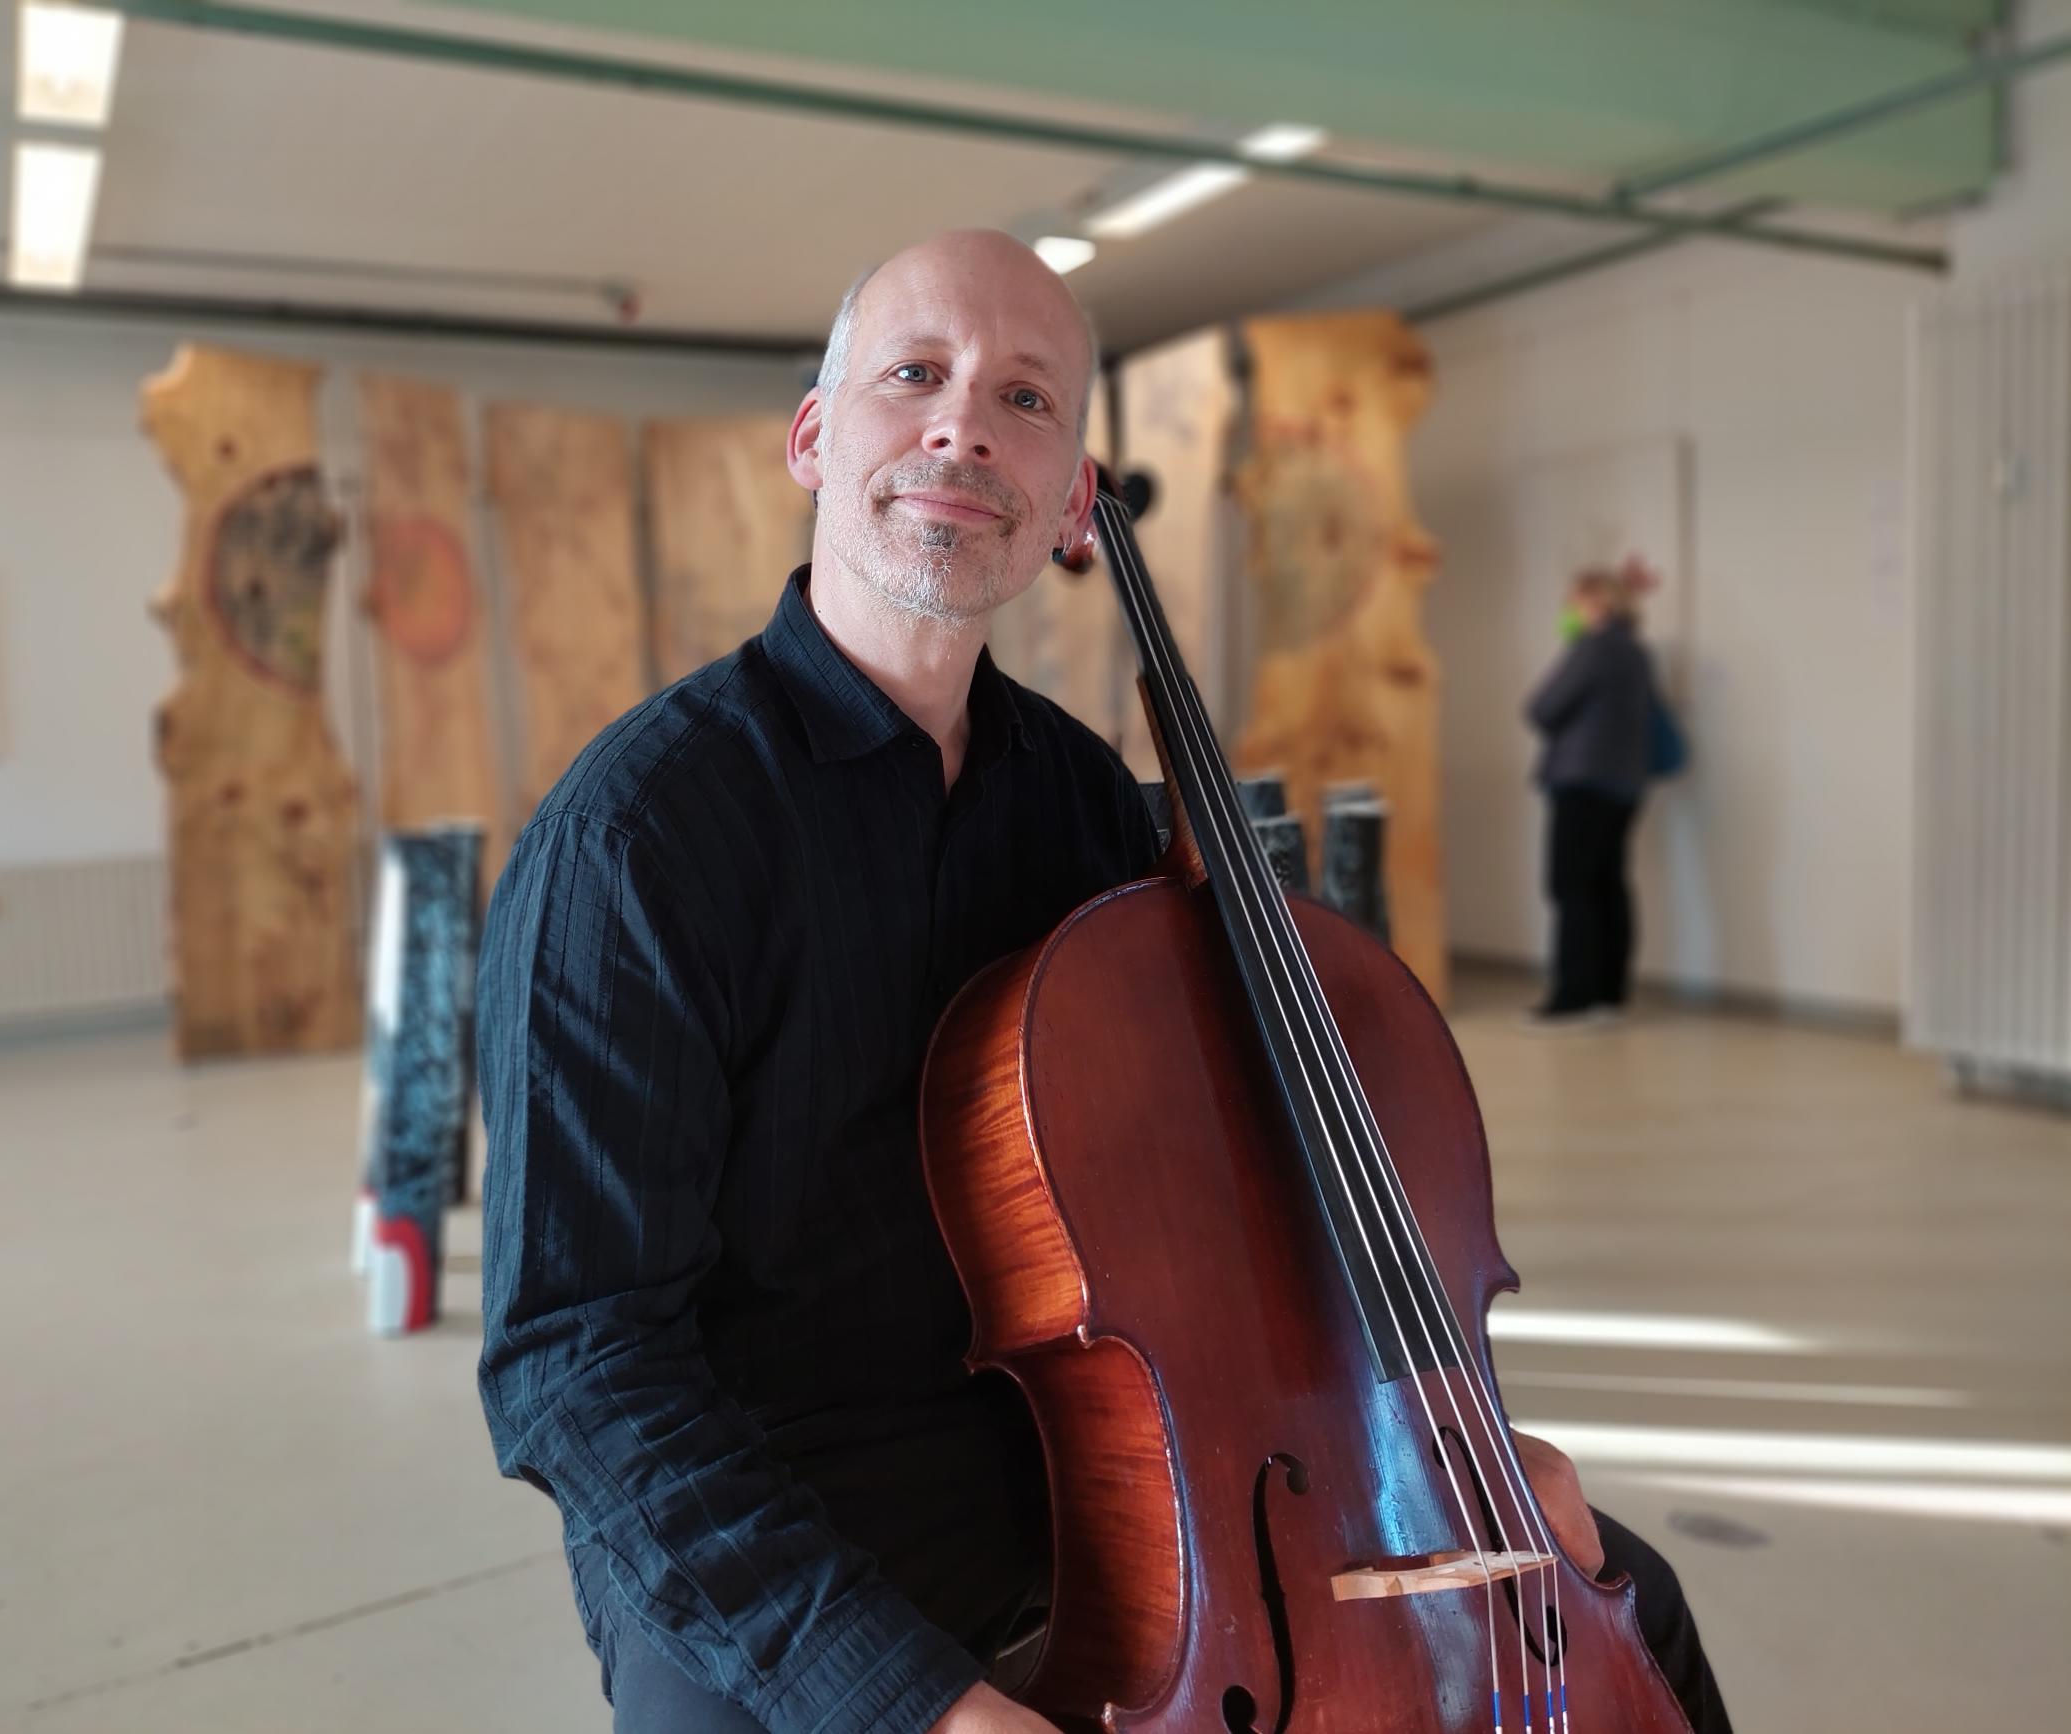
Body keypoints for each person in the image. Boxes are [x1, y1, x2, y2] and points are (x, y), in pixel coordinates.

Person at [478, 230, 1729, 1734]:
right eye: (914, 375)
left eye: (1024, 398)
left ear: (1074, 499)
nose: (962, 426)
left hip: (1124, 1462)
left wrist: (1443, 1441)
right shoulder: (637, 837)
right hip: (773, 1509)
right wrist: (918, 1701)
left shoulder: (1085, 806)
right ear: (813, 440)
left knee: (1626, 1610)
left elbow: (1264, 1194)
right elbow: (577, 1361)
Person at [1524, 563, 1660, 1025]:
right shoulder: (1635, 651)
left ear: (1599, 601)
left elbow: (1542, 708)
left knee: (1570, 886)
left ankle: (1573, 997)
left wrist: (1574, 647)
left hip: (1581, 782)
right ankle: (1609, 994)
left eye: (1574, 600)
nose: (1567, 609)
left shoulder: (1595, 648)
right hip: (1625, 784)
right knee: (1608, 885)